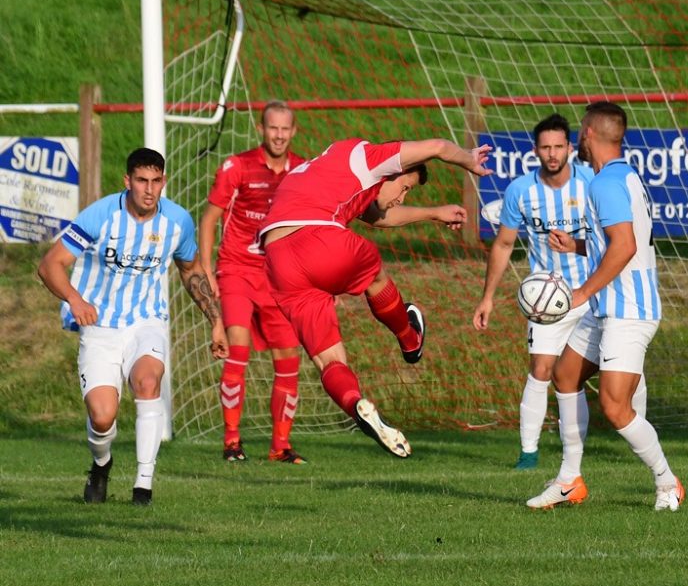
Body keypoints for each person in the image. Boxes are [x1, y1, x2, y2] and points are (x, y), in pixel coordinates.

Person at [260, 135, 491, 457]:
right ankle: (409, 339)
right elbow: (438, 147)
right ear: (392, 171)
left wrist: (433, 213)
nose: (402, 196)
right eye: (405, 187)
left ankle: (357, 404)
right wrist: (469, 160)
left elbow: (377, 215)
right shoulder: (368, 156)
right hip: (319, 239)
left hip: (278, 262)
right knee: (376, 272)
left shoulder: (328, 168)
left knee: (329, 360)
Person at [37, 147, 228, 506]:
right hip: (100, 326)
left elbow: (190, 272)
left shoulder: (177, 222)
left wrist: (216, 322)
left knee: (147, 381)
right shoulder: (100, 216)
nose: (149, 189)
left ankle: (143, 487)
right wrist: (76, 301)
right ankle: (101, 465)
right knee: (102, 415)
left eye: (156, 181)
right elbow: (50, 264)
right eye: (141, 180)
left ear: (164, 182)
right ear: (127, 181)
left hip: (146, 321)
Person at [527, 101, 683, 511]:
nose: (579, 138)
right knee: (564, 375)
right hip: (607, 308)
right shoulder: (623, 177)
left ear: (590, 134)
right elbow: (617, 242)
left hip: (628, 311)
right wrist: (578, 246)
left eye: (580, 131)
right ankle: (569, 480)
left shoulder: (604, 184)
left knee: (615, 408)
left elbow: (626, 247)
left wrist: (580, 293)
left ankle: (667, 482)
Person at [472, 114, 594, 469]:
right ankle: (528, 453)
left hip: (591, 294)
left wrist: (576, 246)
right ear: (536, 150)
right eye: (546, 147)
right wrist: (488, 298)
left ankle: (579, 448)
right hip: (546, 302)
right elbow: (504, 244)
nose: (553, 154)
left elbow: (612, 239)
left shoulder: (591, 183)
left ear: (570, 148)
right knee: (541, 370)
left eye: (559, 146)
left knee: (587, 374)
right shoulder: (521, 191)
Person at [198, 101, 308, 464]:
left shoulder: (302, 172)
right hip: (237, 270)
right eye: (272, 128)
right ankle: (232, 442)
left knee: (288, 358)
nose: (278, 135)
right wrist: (206, 268)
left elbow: (311, 228)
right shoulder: (237, 167)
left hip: (280, 277)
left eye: (284, 129)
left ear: (293, 132)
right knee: (238, 348)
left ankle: (280, 446)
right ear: (261, 130)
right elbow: (210, 217)